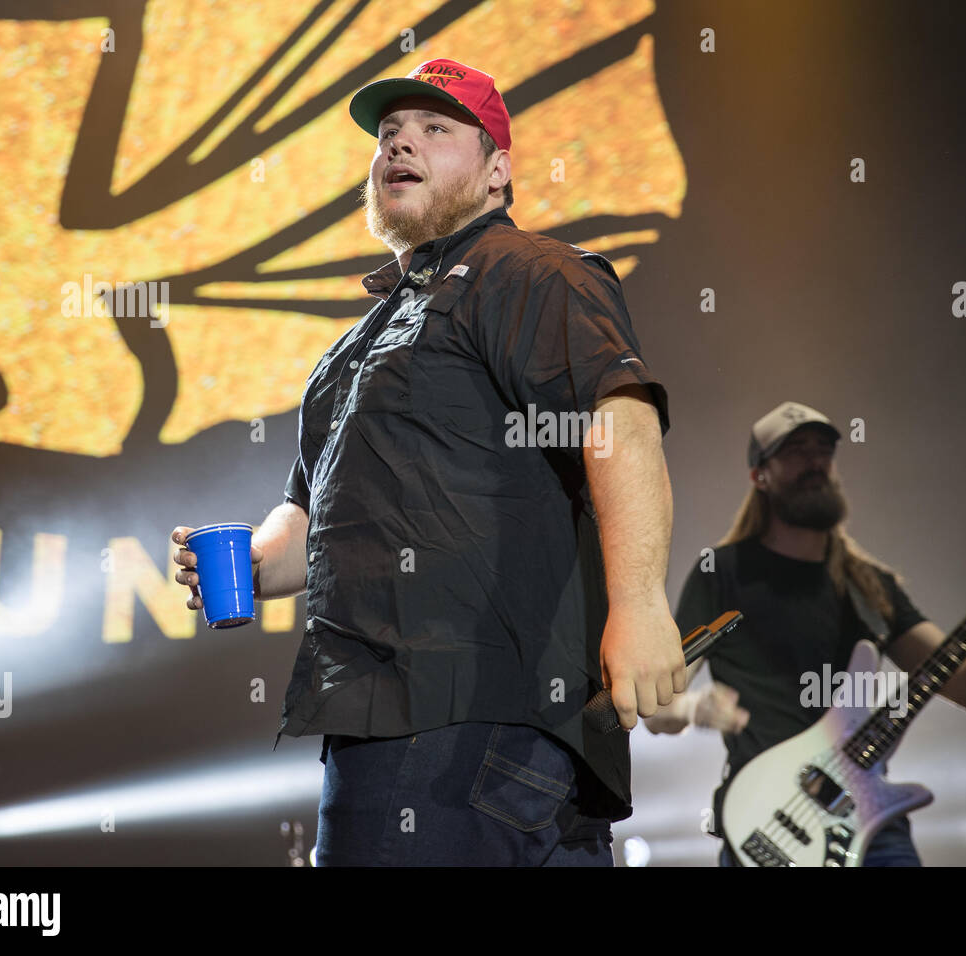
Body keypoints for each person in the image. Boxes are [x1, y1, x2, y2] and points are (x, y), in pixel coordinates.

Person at [172, 58, 683, 866]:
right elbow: (313, 516)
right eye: (388, 135)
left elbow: (618, 421)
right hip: (415, 732)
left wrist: (642, 606)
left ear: (497, 172)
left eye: (435, 128)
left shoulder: (531, 273)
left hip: (462, 725)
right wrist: (250, 559)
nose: (400, 143)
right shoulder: (348, 351)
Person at [646, 401, 966, 866]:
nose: (814, 461)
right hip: (766, 827)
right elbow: (657, 708)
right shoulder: (721, 573)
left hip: (869, 826)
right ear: (759, 476)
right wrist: (693, 707)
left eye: (823, 449)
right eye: (795, 450)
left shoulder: (871, 586)